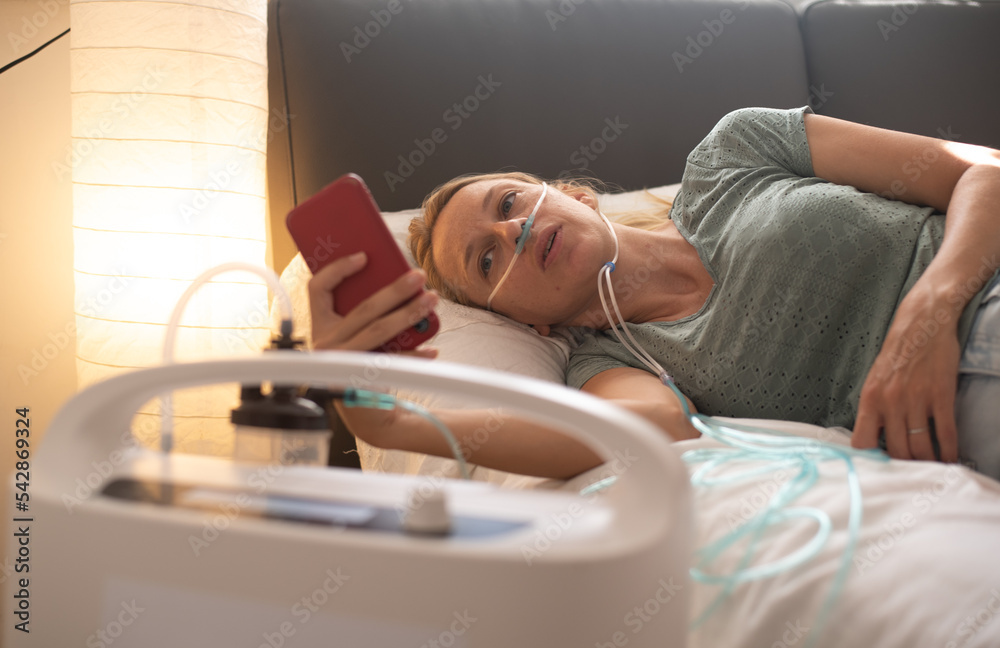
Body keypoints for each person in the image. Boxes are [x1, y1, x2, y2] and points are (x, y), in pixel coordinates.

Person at [310, 105, 1000, 480]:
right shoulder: (610, 364)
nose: (513, 230)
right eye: (486, 260)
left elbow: (981, 173)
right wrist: (395, 427)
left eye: (510, 201)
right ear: (523, 322)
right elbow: (649, 430)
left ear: (573, 194)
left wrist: (933, 306)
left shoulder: (735, 151)